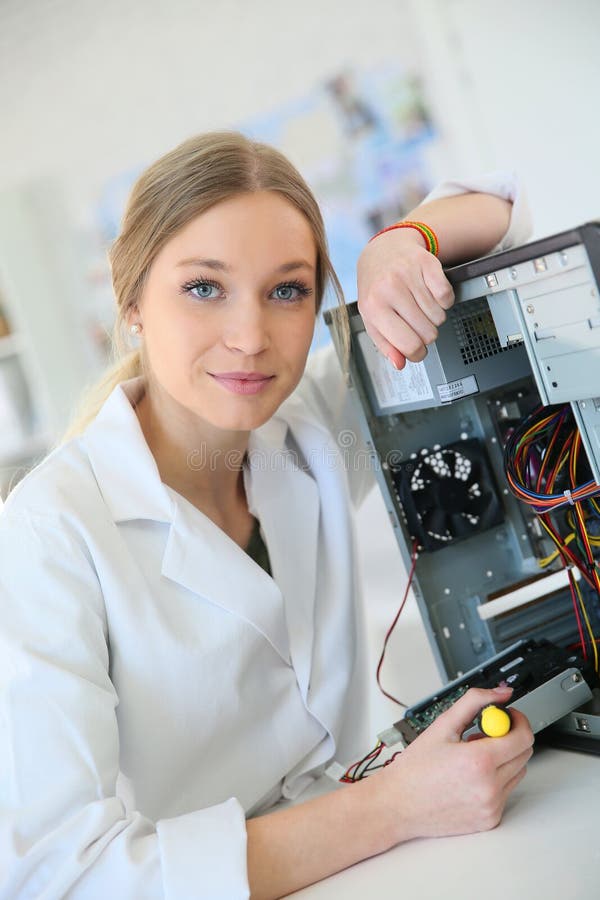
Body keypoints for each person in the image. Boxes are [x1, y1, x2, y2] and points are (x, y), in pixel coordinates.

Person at [0, 132, 534, 900]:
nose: (250, 338)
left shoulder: (312, 427)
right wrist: (391, 807)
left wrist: (398, 242)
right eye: (204, 288)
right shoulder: (50, 533)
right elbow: (59, 876)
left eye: (287, 290)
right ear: (130, 298)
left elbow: (506, 208)